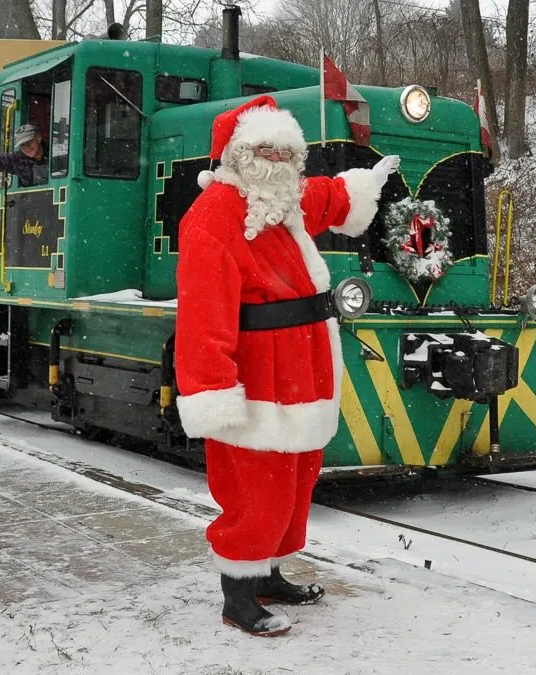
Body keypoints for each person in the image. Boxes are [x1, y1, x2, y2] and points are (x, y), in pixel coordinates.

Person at [174, 95, 398, 637]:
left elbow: (322, 198)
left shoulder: (281, 201)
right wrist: (211, 389)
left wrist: (362, 183)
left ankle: (270, 575)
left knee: (295, 482)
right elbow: (204, 314)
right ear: (236, 154)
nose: (275, 160)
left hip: (303, 370)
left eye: (284, 151)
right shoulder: (212, 216)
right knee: (256, 488)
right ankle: (238, 596)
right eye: (263, 149)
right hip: (257, 377)